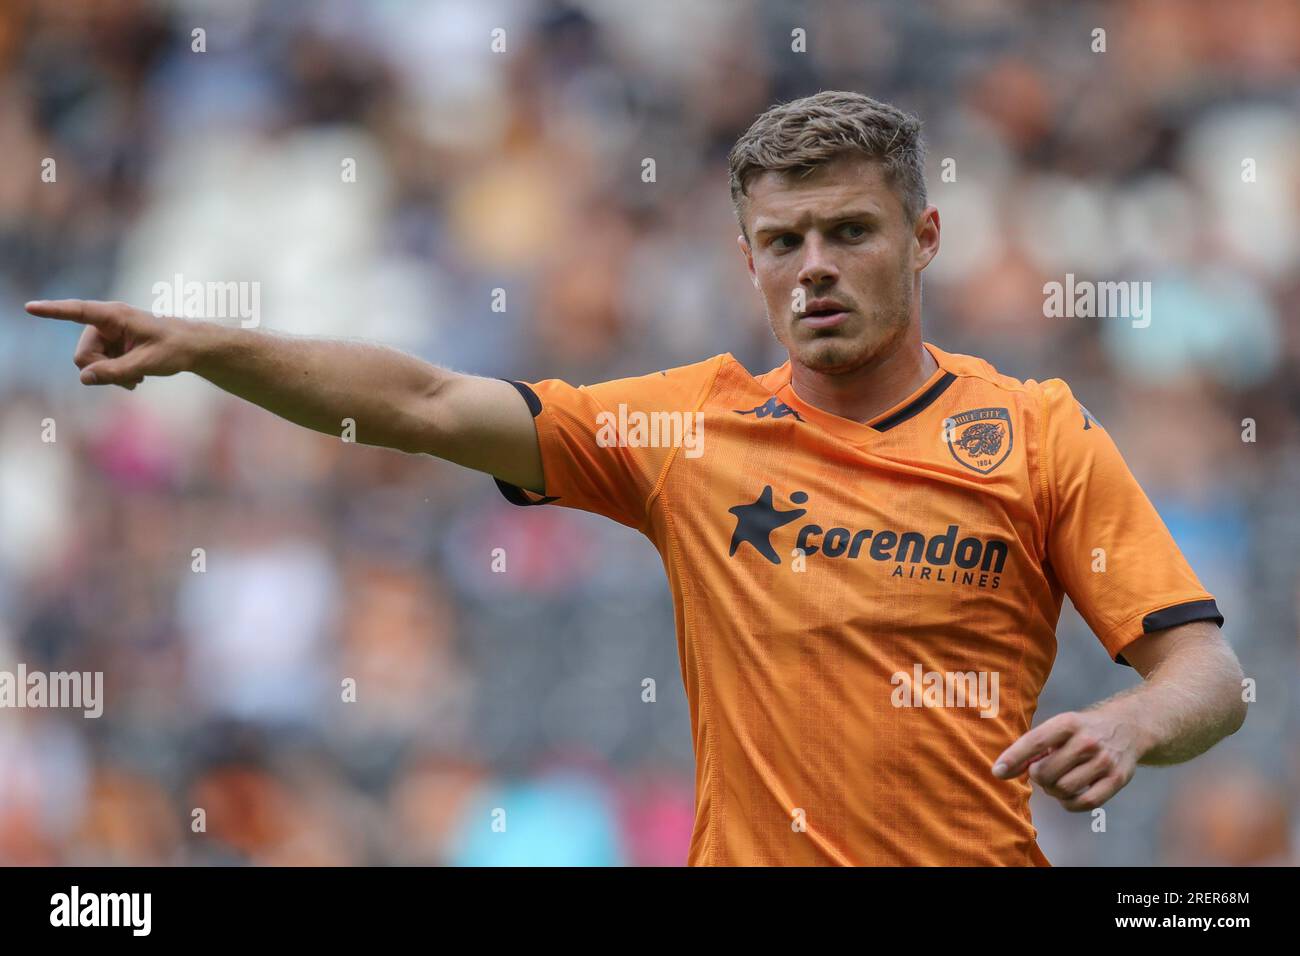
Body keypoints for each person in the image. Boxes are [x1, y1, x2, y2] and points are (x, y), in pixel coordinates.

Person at [26, 90, 1246, 866]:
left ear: (923, 239)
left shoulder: (1035, 432)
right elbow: (424, 402)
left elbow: (1206, 671)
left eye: (850, 232)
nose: (814, 268)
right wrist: (212, 346)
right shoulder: (683, 427)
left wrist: (1138, 718)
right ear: (748, 259)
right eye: (783, 243)